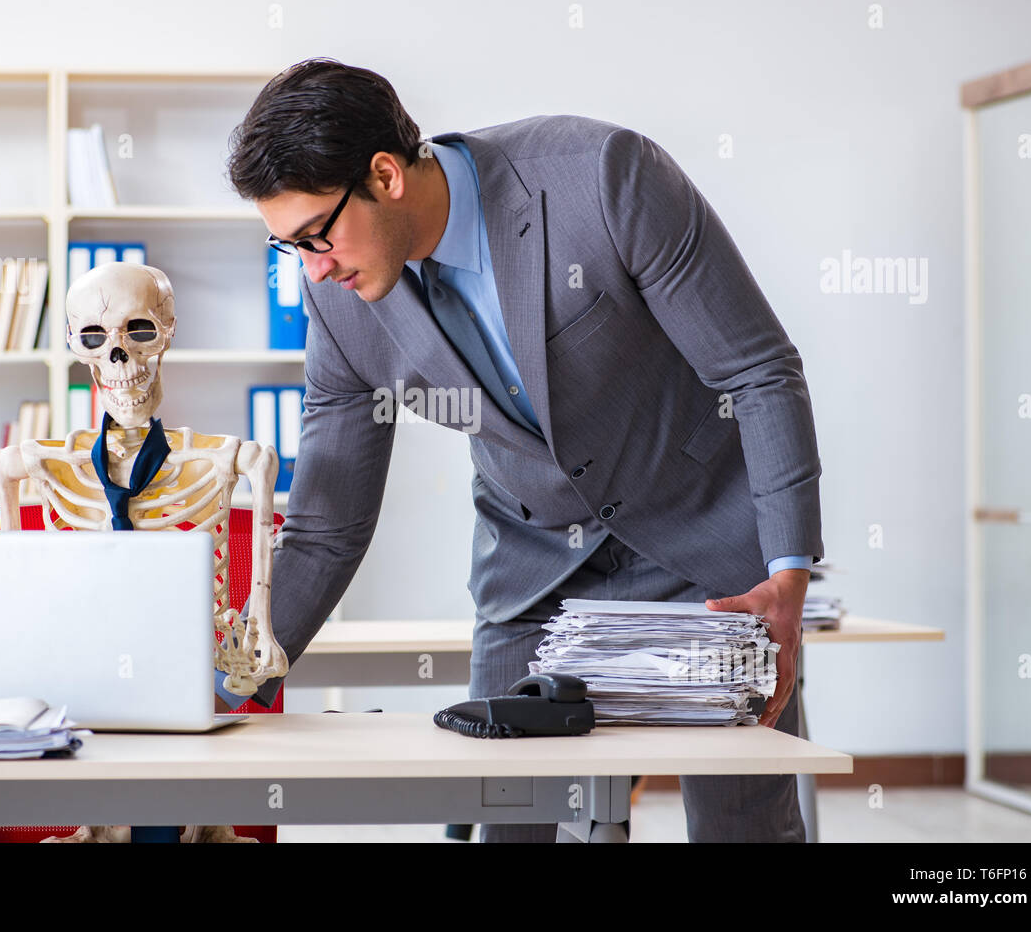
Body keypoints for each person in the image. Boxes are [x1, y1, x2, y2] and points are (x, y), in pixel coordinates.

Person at [218, 57, 824, 842]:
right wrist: (230, 683)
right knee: (510, 822)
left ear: (384, 174)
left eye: (316, 236)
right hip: (533, 567)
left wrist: (788, 574)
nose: (314, 269)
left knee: (743, 828)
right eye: (288, 248)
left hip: (700, 552)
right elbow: (328, 525)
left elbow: (758, 369)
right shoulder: (341, 308)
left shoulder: (603, 180)